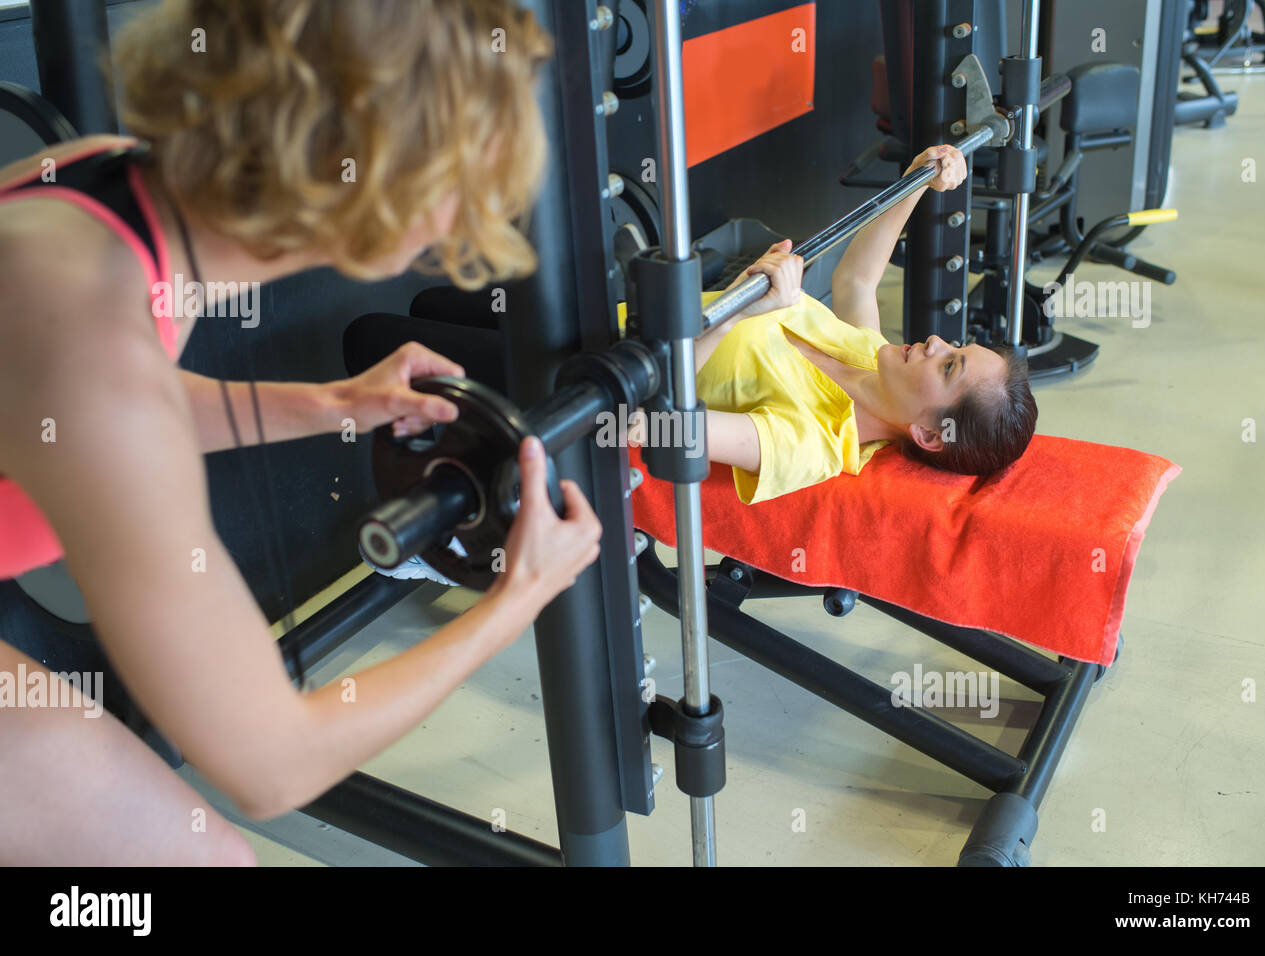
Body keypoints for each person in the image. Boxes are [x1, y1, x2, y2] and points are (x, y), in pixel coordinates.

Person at [0, 0, 601, 865]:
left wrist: (329, 405)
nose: (460, 215)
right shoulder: (96, 361)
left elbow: (82, 418)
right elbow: (271, 766)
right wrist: (518, 601)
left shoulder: (102, 183)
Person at [672, 144, 1039, 504]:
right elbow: (856, 281)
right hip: (637, 307)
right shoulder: (872, 359)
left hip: (622, 361)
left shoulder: (812, 442)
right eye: (956, 346)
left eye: (947, 366)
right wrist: (918, 178)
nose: (935, 341)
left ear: (928, 434)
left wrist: (734, 310)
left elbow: (660, 425)